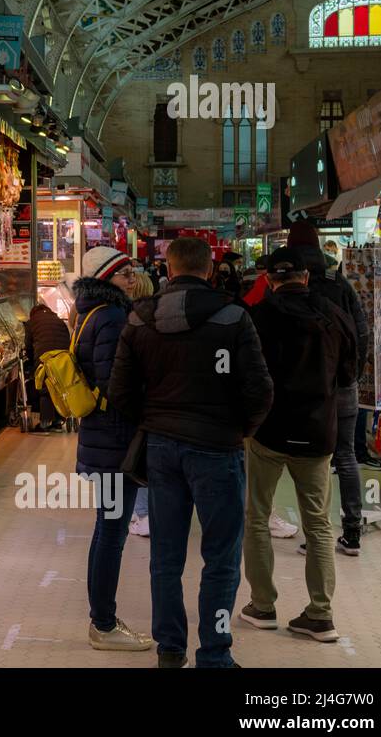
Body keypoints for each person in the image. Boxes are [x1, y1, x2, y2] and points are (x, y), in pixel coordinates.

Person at [108, 237, 274, 668]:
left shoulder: (140, 319)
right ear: (210, 270)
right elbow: (260, 389)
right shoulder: (234, 317)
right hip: (218, 448)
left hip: (161, 449)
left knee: (165, 556)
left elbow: (119, 391)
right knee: (221, 557)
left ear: (168, 269)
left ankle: (170, 649)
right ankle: (215, 653)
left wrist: (153, 419)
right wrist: (239, 429)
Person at [240, 247, 357, 642]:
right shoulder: (333, 315)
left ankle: (262, 605)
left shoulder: (257, 317)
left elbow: (245, 376)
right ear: (305, 277)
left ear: (269, 280)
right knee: (319, 523)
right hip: (318, 434)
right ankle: (320, 615)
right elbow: (349, 374)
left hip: (268, 433)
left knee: (257, 516)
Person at [71, 247, 149, 651]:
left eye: (133, 271)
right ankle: (103, 624)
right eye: (124, 273)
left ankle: (102, 619)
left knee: (107, 529)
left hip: (100, 439)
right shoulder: (114, 317)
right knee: (111, 534)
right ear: (106, 279)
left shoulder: (89, 313)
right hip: (115, 443)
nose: (132, 279)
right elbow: (115, 385)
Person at [287, 219, 370, 555]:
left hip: (308, 388)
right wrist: (352, 374)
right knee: (346, 456)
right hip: (343, 384)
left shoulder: (290, 283)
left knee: (312, 461)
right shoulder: (339, 282)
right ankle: (352, 533)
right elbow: (362, 331)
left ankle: (315, 534)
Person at [127, 271, 155, 538]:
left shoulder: (124, 319)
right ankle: (145, 512)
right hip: (153, 402)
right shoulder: (157, 319)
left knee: (132, 456)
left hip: (131, 403)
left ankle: (141, 513)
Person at [23, 302, 71, 431]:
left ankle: (45, 422)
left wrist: (31, 360)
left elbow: (28, 345)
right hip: (62, 357)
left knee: (45, 387)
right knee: (59, 387)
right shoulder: (59, 320)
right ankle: (58, 420)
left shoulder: (31, 322)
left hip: (44, 357)